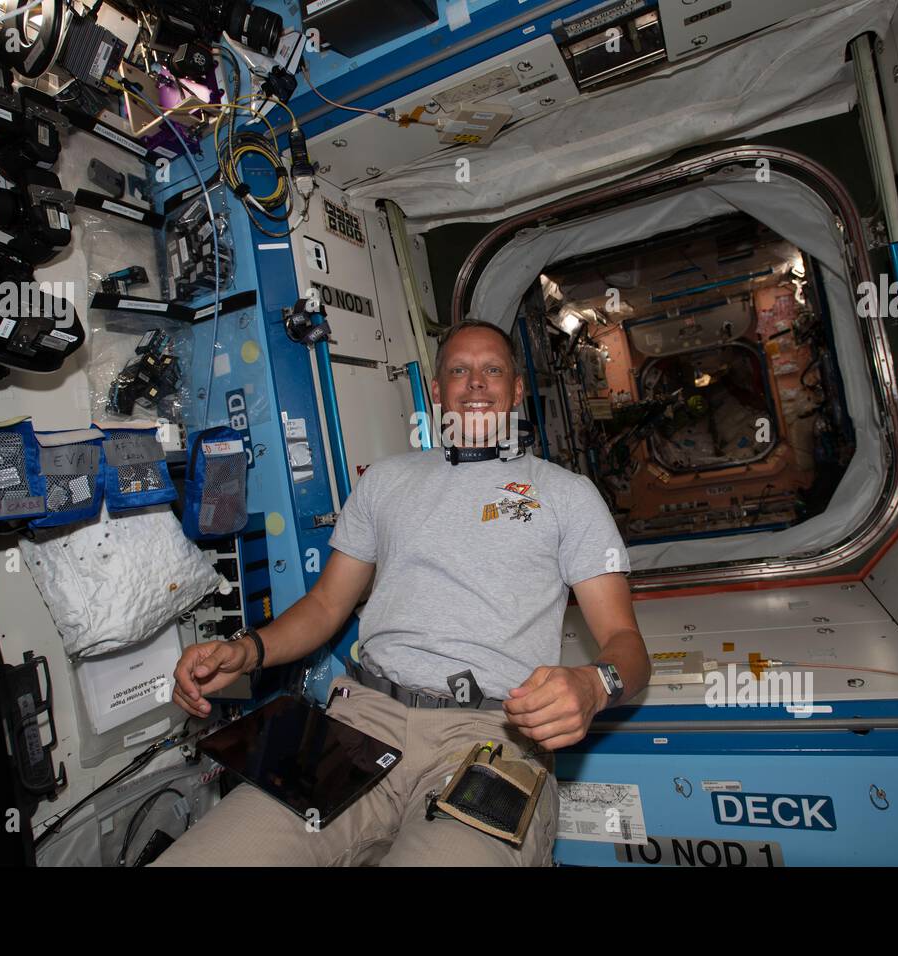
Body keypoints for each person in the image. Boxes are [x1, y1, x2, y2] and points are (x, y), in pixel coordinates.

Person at [156, 319, 648, 866]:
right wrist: (248, 650)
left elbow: (625, 642)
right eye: (459, 371)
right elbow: (325, 606)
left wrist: (595, 684)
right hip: (358, 724)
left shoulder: (567, 496)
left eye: (493, 370)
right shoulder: (385, 482)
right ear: (437, 393)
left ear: (515, 390)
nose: (476, 383)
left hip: (491, 736)